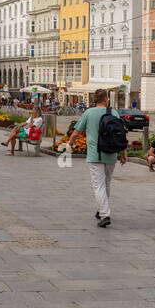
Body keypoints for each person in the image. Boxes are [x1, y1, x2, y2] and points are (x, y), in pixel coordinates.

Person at [59, 89, 125, 228]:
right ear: (106, 99)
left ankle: (105, 214)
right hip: (111, 154)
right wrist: (123, 153)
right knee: (106, 183)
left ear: (95, 99)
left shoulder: (89, 113)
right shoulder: (113, 112)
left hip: (95, 154)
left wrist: (69, 145)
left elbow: (76, 131)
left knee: (98, 185)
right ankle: (101, 209)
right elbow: (121, 134)